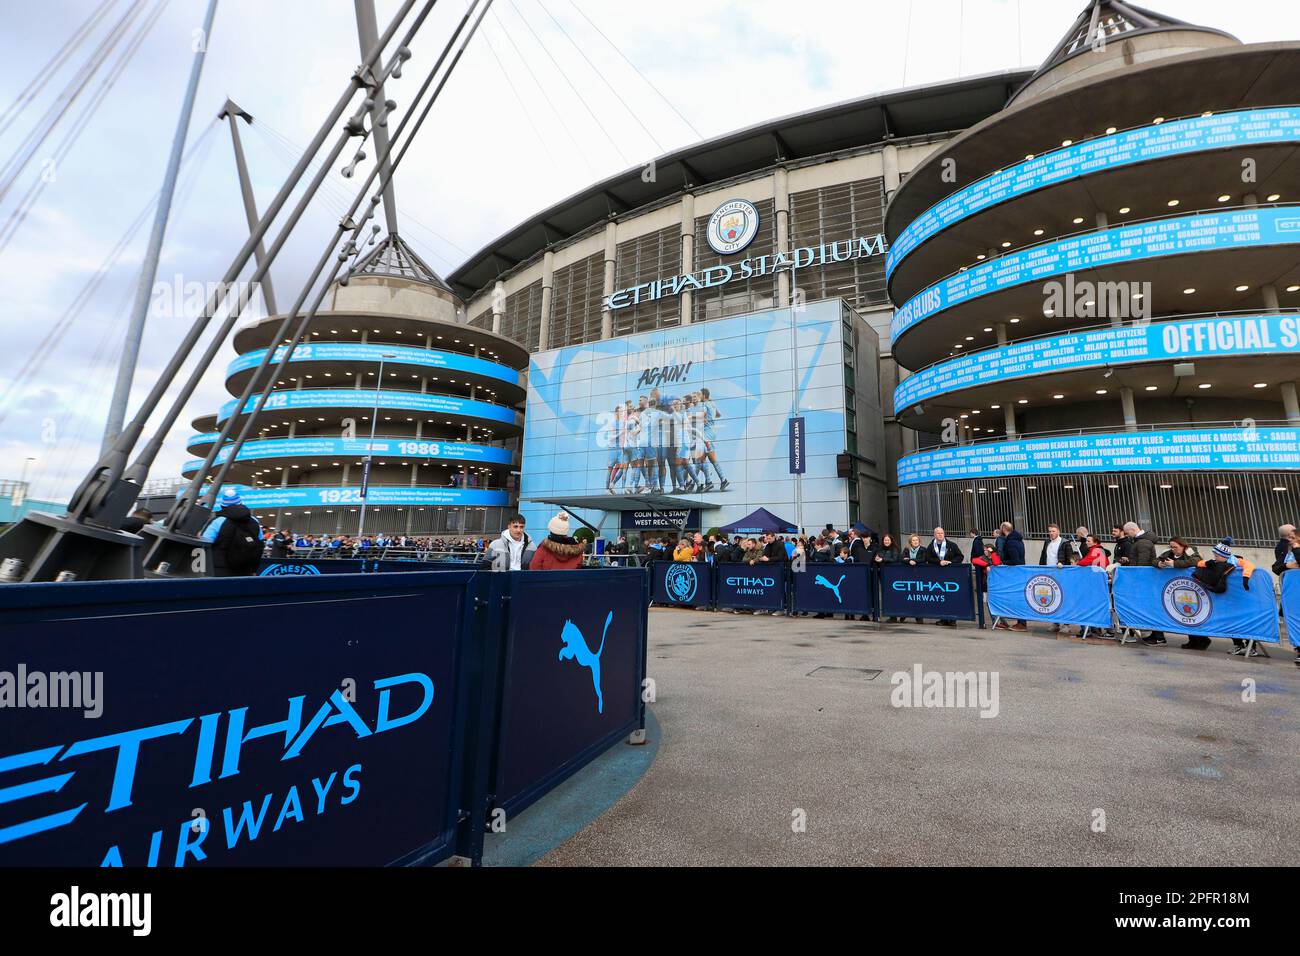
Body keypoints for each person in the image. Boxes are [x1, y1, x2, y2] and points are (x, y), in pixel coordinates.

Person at [1191, 538, 1260, 657]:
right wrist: (1206, 563)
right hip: (1227, 598)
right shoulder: (1216, 562)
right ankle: (1238, 645)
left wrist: (1246, 577)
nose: (1215, 557)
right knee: (1231, 621)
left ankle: (1251, 647)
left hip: (1240, 597)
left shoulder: (1236, 561)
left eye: (1217, 555)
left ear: (1224, 555)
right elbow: (1198, 563)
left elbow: (1249, 565)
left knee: (1242, 621)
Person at [1156, 538, 1208, 649]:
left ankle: (1202, 640)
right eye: (1171, 547)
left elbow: (1195, 561)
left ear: (1183, 546)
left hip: (1192, 587)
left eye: (1175, 547)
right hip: (1178, 589)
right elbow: (1154, 560)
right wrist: (1159, 563)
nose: (1173, 549)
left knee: (1195, 614)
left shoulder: (1190, 550)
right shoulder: (1168, 553)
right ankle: (1192, 640)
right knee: (1183, 614)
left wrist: (1175, 564)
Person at [200, 489, 263, 577]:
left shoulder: (218, 521)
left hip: (218, 571)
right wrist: (254, 569)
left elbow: (203, 544)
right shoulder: (255, 521)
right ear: (241, 503)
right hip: (246, 572)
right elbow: (260, 546)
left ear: (222, 506)